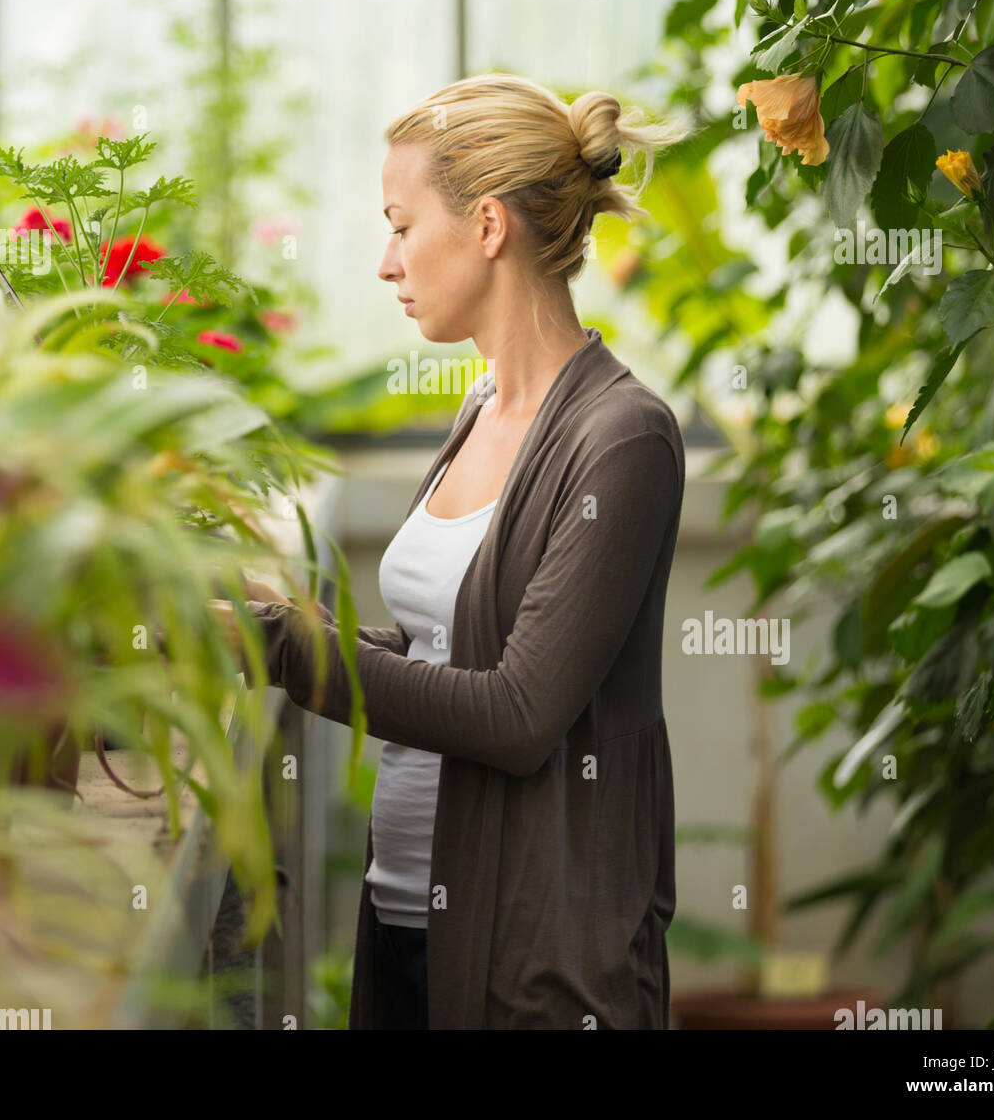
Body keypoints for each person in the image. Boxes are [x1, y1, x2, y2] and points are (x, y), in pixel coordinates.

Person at [220, 72, 691, 1029]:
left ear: (486, 226)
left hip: (533, 966)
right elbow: (457, 653)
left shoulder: (622, 439)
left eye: (401, 224)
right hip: (403, 922)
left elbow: (519, 712)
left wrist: (287, 651)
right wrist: (313, 625)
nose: (386, 263)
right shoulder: (482, 407)